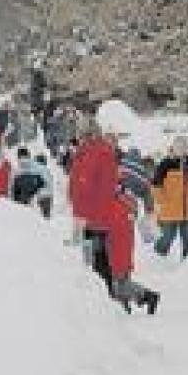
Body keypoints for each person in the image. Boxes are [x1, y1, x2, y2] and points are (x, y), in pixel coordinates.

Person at [69, 119, 119, 288]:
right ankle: (103, 292)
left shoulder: (97, 152)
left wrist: (78, 198)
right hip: (90, 212)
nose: (78, 137)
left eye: (81, 134)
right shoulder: (87, 152)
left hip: (95, 213)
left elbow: (87, 182)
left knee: (97, 258)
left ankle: (106, 294)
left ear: (88, 135)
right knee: (93, 256)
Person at [105, 186, 160, 314]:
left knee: (117, 284)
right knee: (121, 281)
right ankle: (125, 307)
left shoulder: (113, 205)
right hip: (125, 247)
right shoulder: (126, 201)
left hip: (116, 249)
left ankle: (147, 296)